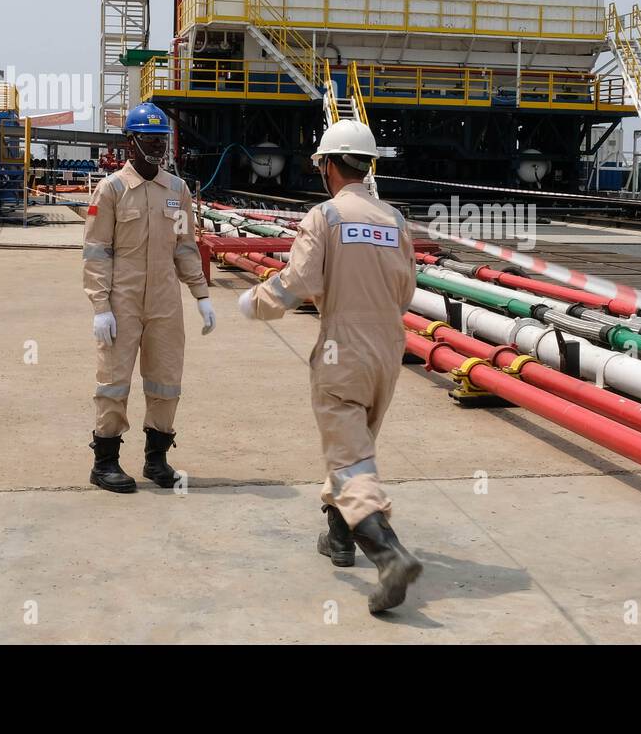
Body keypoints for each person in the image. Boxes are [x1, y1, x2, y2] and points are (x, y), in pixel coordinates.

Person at [239, 119, 421, 613]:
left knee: (348, 458)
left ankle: (389, 554)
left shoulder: (326, 217)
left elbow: (297, 281)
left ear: (329, 167)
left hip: (344, 348)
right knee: (356, 445)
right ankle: (339, 536)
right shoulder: (396, 221)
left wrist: (255, 302)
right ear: (367, 165)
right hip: (388, 348)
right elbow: (406, 292)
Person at [83, 103, 216, 493]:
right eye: (149, 141)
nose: (157, 148)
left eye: (161, 141)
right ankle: (105, 462)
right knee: (113, 380)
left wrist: (201, 294)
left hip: (164, 301)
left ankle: (156, 459)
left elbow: (185, 248)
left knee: (166, 380)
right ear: (130, 143)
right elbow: (96, 250)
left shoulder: (177, 190)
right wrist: (100, 306)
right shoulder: (111, 190)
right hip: (122, 300)